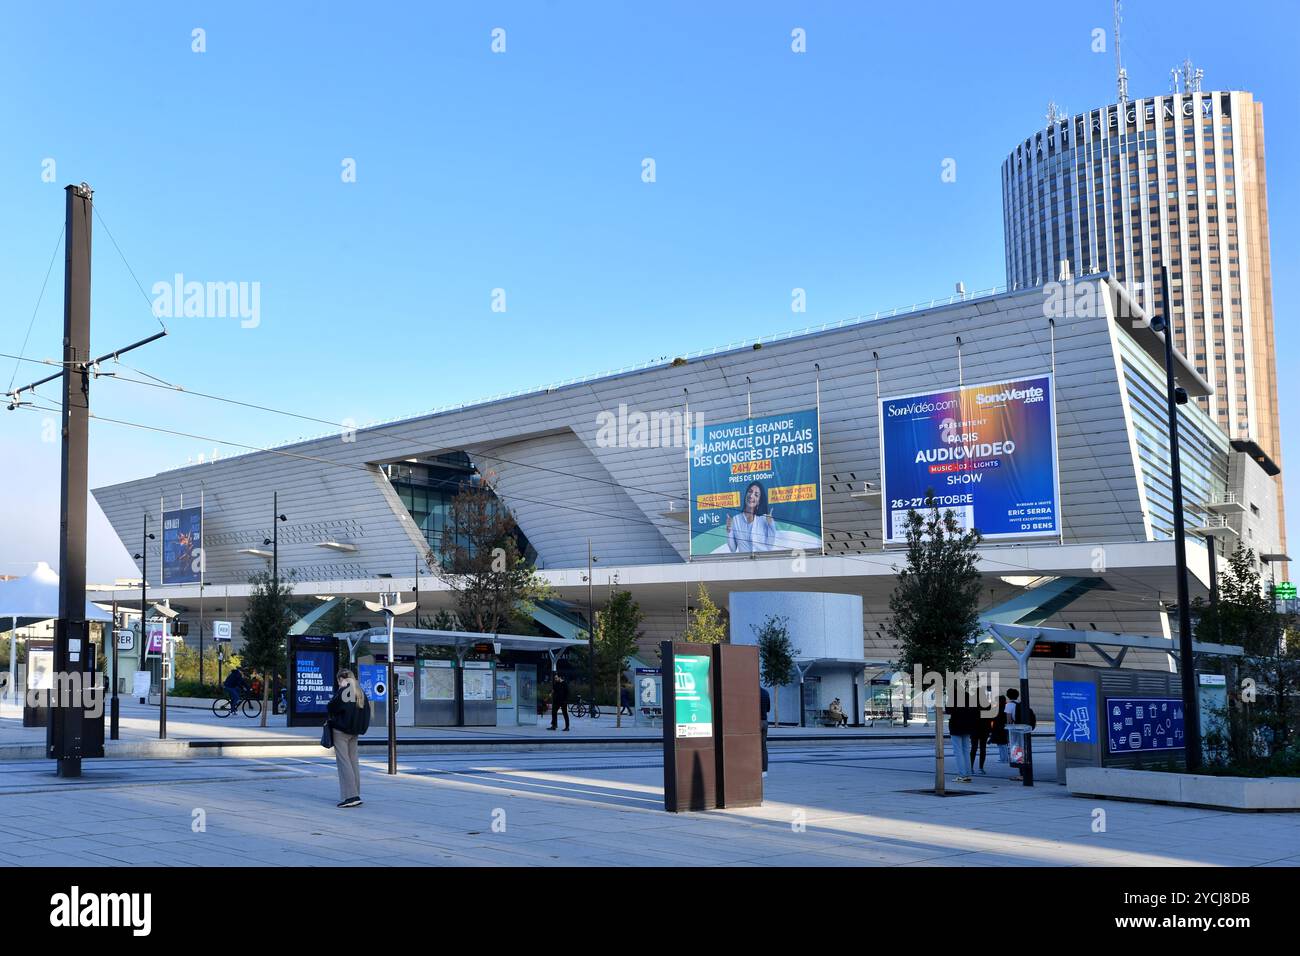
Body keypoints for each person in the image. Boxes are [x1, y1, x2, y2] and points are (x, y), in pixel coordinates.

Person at [326, 668, 369, 808]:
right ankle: (356, 793)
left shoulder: (344, 691)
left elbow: (332, 707)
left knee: (344, 763)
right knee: (353, 762)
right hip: (354, 732)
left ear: (341, 679)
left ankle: (351, 796)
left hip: (341, 731)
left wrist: (340, 690)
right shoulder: (360, 692)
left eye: (338, 680)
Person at [726, 481, 777, 553]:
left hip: (763, 561)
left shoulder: (765, 519)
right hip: (745, 562)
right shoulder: (736, 520)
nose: (751, 496)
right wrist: (729, 529)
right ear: (746, 494)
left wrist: (771, 525)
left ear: (759, 501)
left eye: (756, 495)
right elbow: (733, 549)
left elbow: (770, 546)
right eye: (750, 492)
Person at [947, 693, 978, 783]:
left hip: (956, 726)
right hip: (967, 726)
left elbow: (948, 710)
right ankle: (968, 774)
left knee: (958, 751)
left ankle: (962, 774)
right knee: (966, 750)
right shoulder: (967, 695)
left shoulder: (952, 697)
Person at [969, 688, 991, 774]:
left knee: (973, 748)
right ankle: (981, 768)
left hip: (974, 729)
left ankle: (971, 767)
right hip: (984, 729)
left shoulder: (972, 705)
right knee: (983, 748)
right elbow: (990, 718)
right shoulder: (987, 705)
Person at [990, 693, 1011, 767]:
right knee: (1003, 744)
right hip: (1003, 727)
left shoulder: (999, 708)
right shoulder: (1005, 707)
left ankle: (1004, 758)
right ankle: (1004, 758)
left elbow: (994, 718)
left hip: (999, 728)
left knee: (1001, 744)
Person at [759, 685, 771, 776]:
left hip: (756, 722)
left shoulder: (752, 693)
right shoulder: (765, 692)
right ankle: (764, 771)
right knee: (763, 747)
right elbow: (768, 709)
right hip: (764, 722)